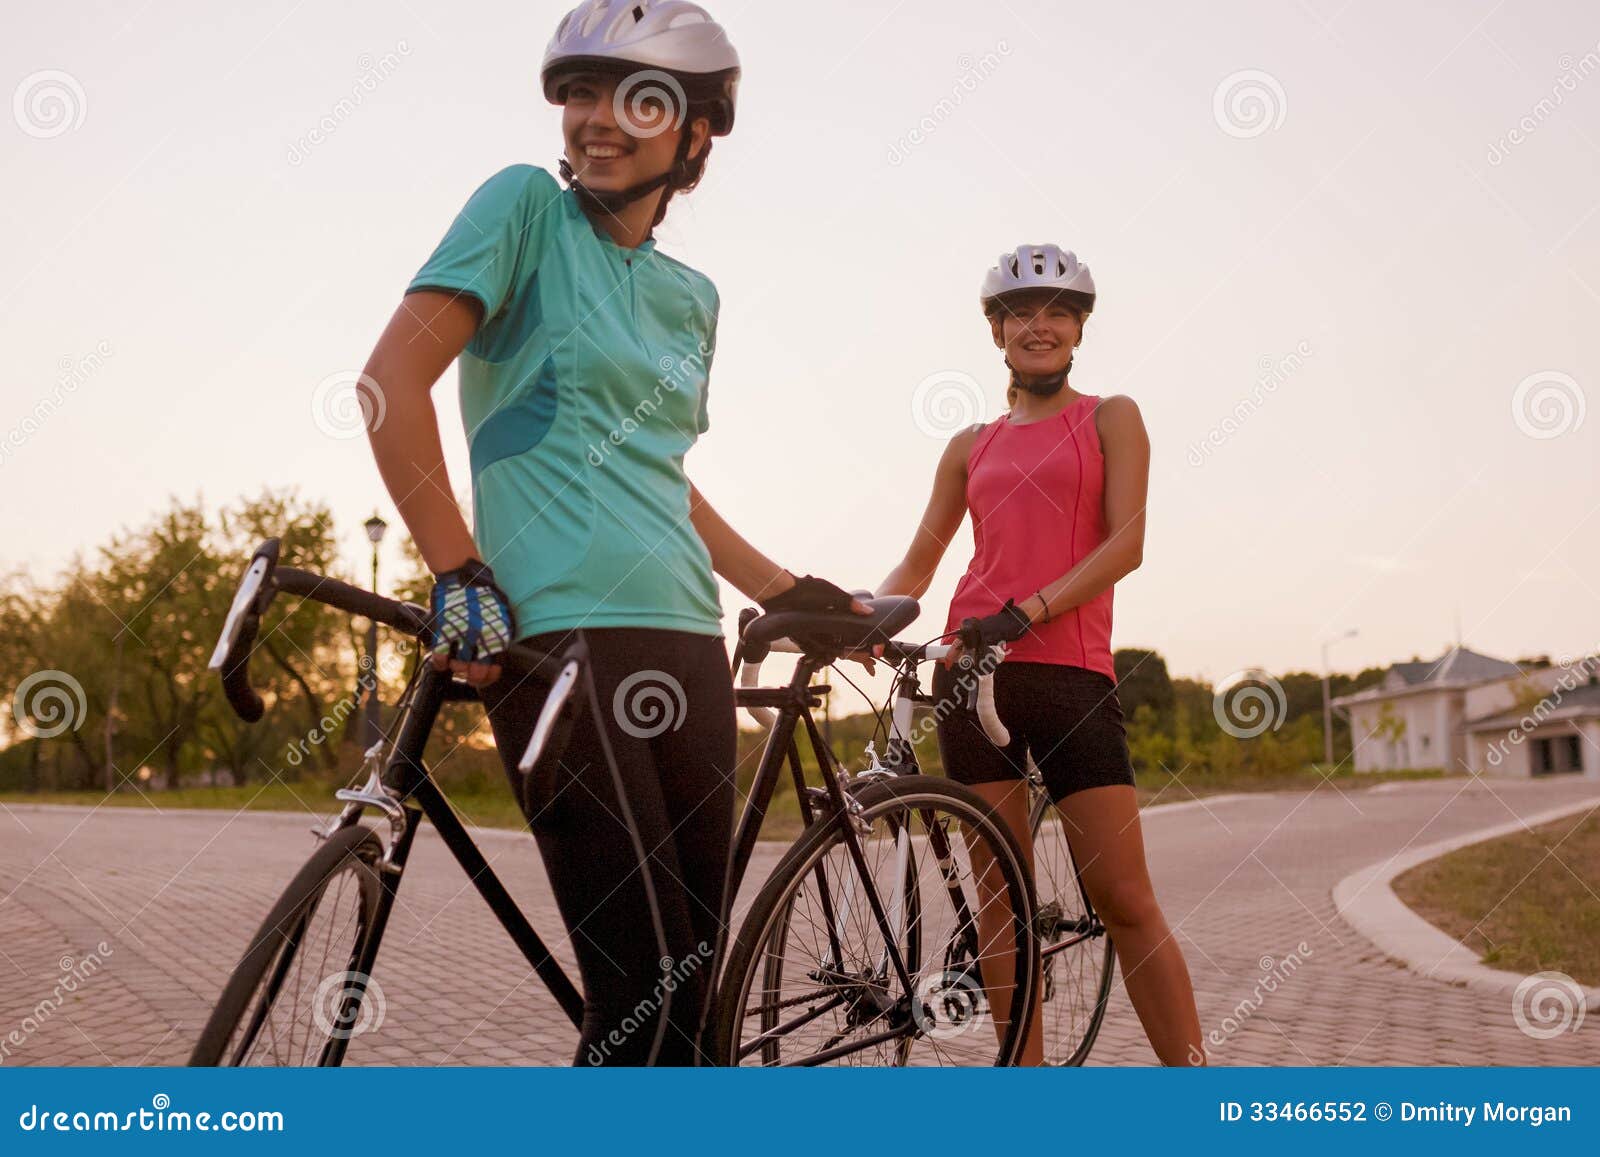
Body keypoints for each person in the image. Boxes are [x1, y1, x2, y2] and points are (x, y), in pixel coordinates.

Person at [358, 0, 864, 1065]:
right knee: (635, 998)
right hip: (552, 638)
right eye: (578, 92)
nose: (594, 118)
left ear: (694, 134)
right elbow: (388, 384)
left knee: (690, 997)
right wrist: (458, 568)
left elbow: (661, 476)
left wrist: (779, 583)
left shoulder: (693, 296)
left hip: (685, 635)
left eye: (633, 97)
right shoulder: (522, 211)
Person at [874, 244, 1205, 1065]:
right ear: (995, 332)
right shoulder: (969, 446)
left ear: (1080, 328)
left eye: (1058, 311)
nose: (1040, 326)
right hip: (968, 678)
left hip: (1068, 674)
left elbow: (1127, 542)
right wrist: (863, 615)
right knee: (1000, 902)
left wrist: (1030, 611)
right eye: (1020, 313)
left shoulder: (1109, 417)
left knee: (1124, 897)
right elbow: (919, 562)